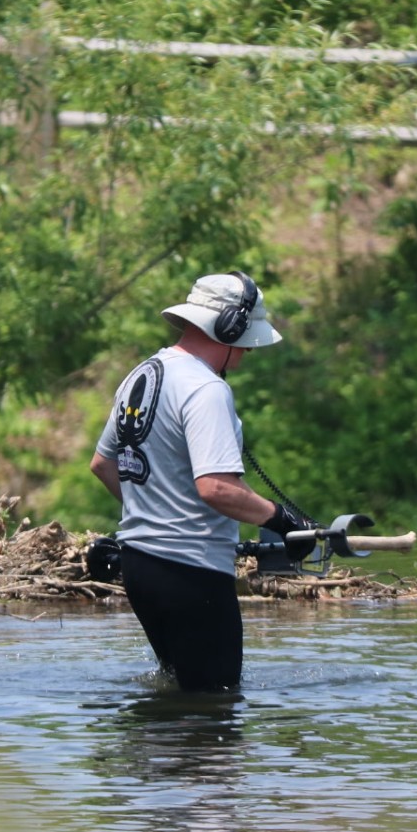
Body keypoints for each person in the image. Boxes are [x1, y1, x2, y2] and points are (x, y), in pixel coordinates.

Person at [89, 271, 311, 691]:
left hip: (139, 566)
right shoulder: (206, 389)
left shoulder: (141, 375)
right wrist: (284, 521)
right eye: (245, 339)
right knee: (215, 708)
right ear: (229, 326)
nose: (247, 352)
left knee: (176, 701)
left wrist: (153, 516)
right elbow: (216, 488)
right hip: (191, 575)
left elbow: (103, 463)